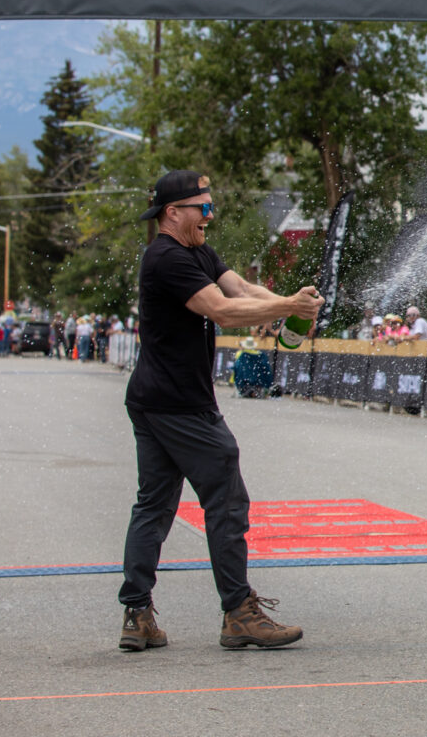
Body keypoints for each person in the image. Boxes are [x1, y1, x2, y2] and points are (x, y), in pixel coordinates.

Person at [117, 169, 322, 652]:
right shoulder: (166, 257)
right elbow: (221, 310)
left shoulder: (196, 252)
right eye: (202, 207)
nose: (210, 215)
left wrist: (290, 304)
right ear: (174, 213)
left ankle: (137, 615)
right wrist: (287, 305)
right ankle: (239, 613)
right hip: (178, 403)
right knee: (227, 500)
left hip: (153, 398)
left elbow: (242, 291)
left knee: (154, 504)